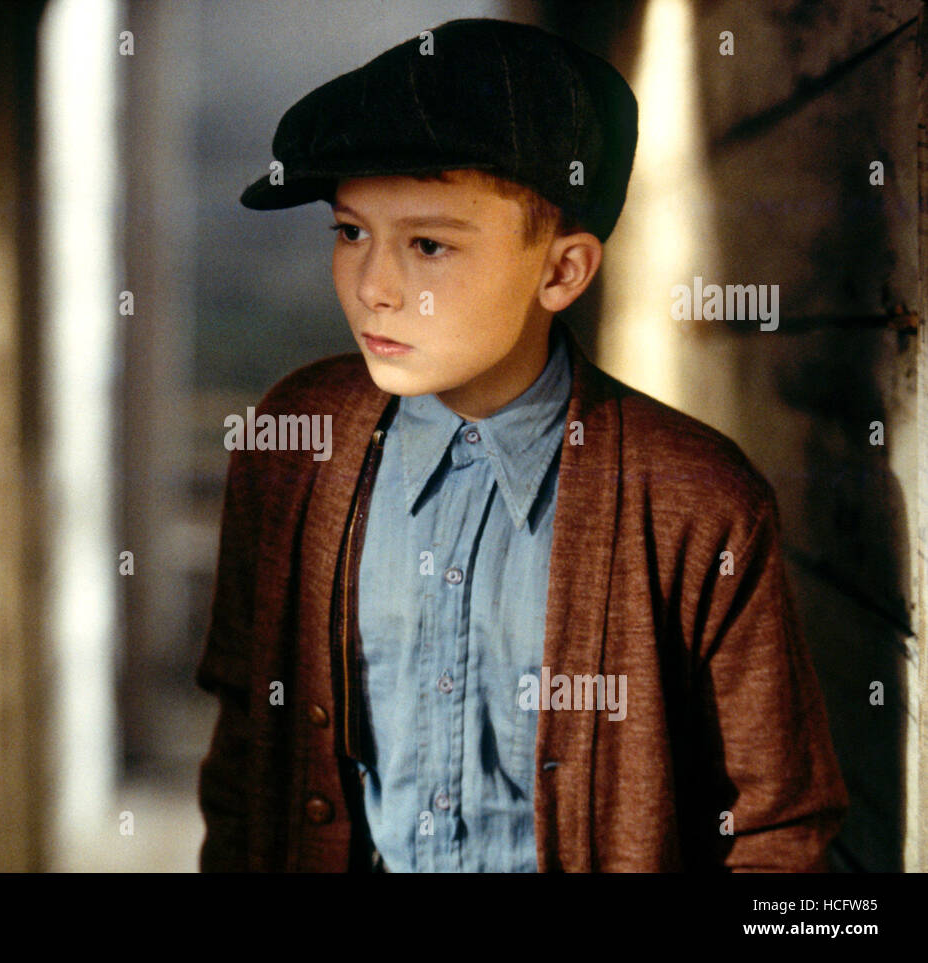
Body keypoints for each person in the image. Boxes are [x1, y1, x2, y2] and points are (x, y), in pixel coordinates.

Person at [195, 17, 847, 872]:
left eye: (428, 244)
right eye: (351, 232)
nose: (374, 287)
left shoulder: (699, 500)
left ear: (563, 271)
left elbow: (777, 832)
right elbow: (250, 752)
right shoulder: (293, 449)